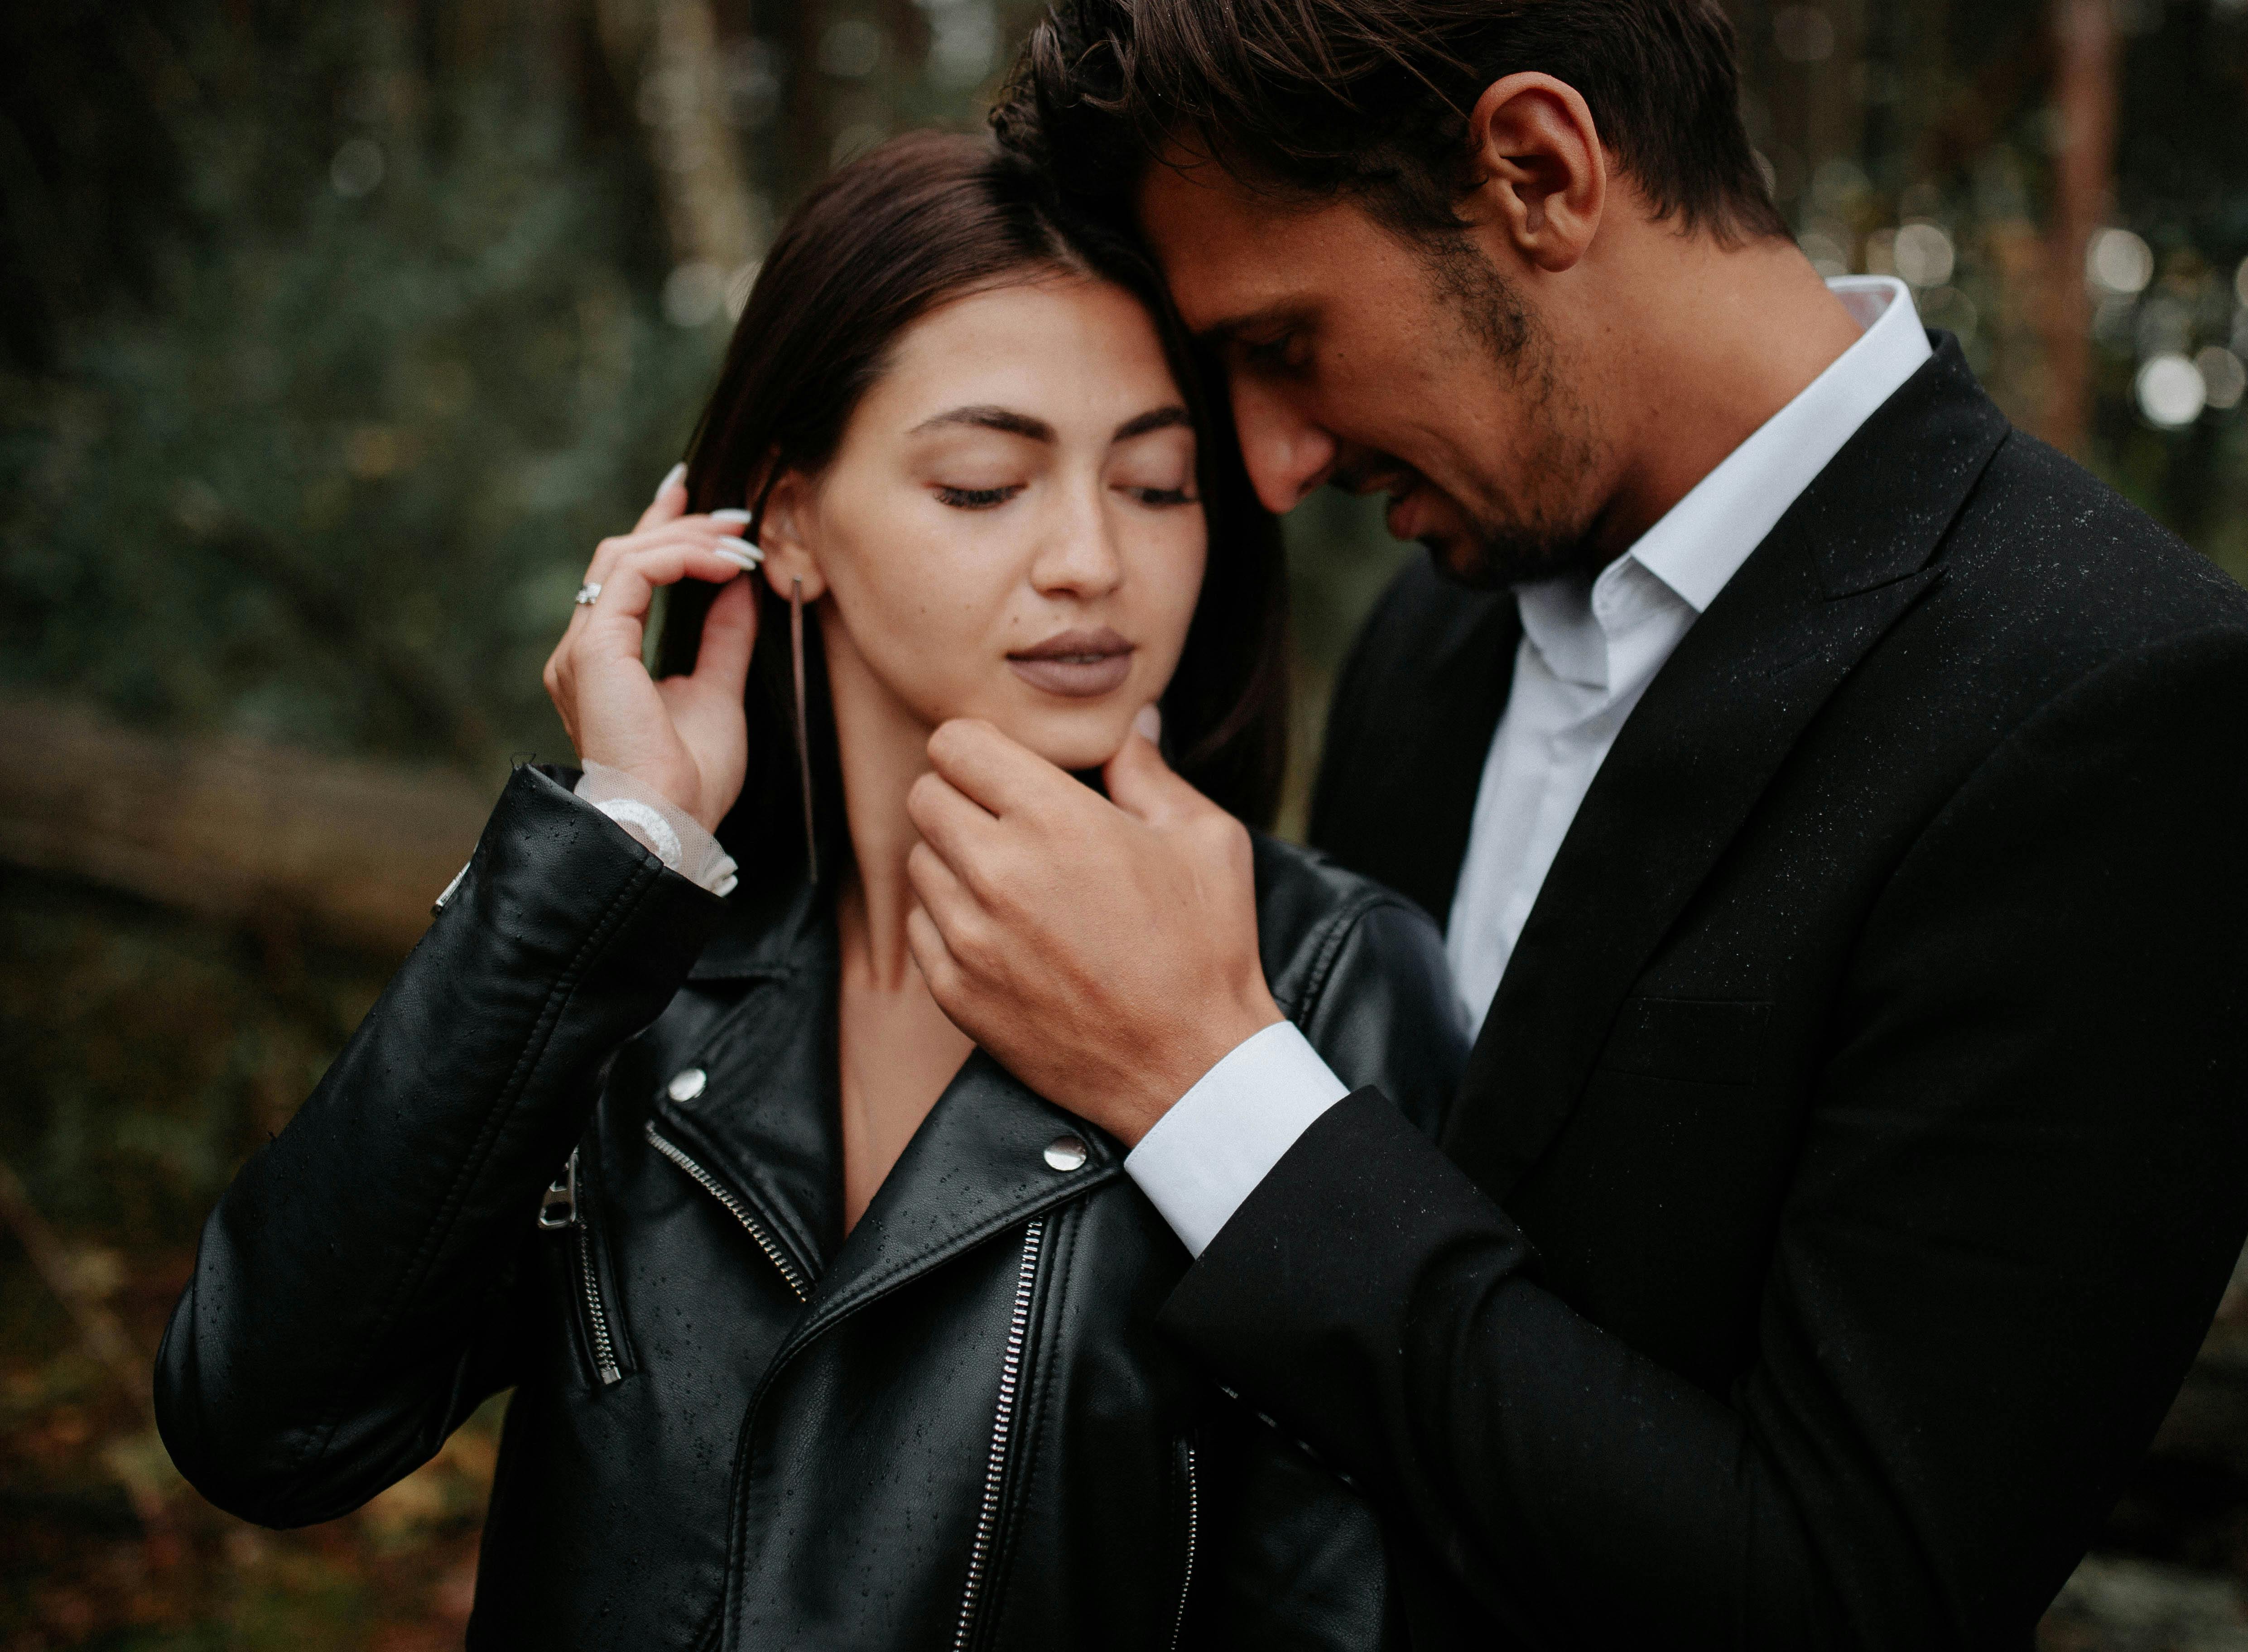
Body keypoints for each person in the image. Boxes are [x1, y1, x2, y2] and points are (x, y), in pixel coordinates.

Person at [883, 4, 2248, 1647]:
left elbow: (1847, 1595)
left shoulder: (2130, 716)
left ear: (1539, 172)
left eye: (1285, 344)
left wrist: (1204, 1088)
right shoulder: (1436, 642)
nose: (1276, 468)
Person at [153, 133, 1465, 1650]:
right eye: (985, 484)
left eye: (1158, 484)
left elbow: (1346, 1609)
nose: (1093, 559)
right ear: (786, 523)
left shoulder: (1321, 982)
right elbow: (264, 1420)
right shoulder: (634, 959)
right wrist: (610, 848)